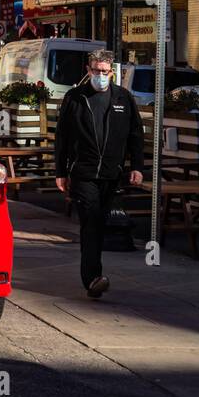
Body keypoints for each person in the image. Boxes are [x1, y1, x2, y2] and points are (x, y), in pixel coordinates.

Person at [53, 49, 145, 299]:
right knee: (91, 223)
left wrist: (137, 166)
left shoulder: (123, 98)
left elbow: (136, 135)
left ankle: (94, 274)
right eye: (97, 71)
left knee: (101, 224)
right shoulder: (75, 98)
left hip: (111, 173)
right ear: (88, 70)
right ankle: (92, 278)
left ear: (111, 72)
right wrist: (60, 171)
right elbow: (62, 137)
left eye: (105, 72)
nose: (101, 76)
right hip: (83, 173)